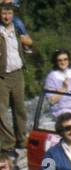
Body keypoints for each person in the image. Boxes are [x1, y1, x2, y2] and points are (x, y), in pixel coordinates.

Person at [0, 3, 26, 154]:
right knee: (1, 112)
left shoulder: (17, 28)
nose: (6, 16)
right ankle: (8, 143)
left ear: (13, 14)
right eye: (4, 13)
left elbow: (28, 43)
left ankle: (21, 140)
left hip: (18, 73)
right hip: (2, 76)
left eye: (9, 13)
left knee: (20, 109)